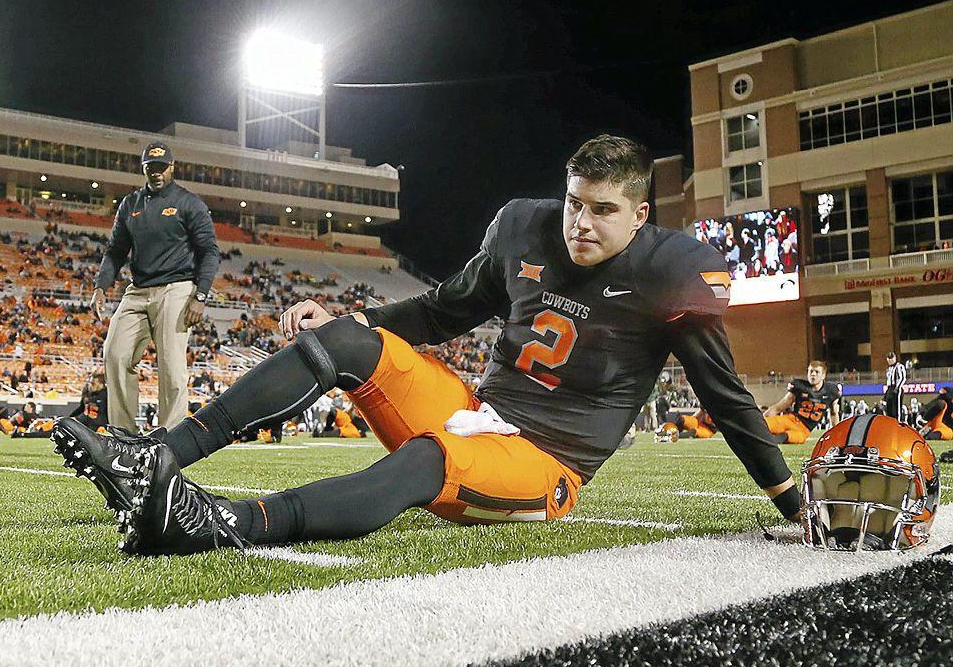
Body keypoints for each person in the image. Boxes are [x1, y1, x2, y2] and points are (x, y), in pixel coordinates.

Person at [54, 134, 800, 555]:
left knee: (427, 459)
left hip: (547, 461)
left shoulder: (671, 271)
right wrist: (345, 323)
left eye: (604, 211)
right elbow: (445, 311)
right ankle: (157, 457)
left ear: (641, 212)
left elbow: (724, 393)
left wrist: (788, 497)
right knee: (352, 336)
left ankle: (219, 524)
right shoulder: (524, 226)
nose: (582, 222)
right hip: (477, 407)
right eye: (575, 202)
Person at [92, 141, 220, 432]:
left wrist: (200, 295)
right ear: (144, 169)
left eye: (162, 167)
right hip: (138, 289)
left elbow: (210, 252)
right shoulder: (131, 204)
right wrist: (101, 285)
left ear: (172, 167)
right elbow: (115, 251)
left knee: (172, 369)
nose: (157, 173)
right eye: (151, 167)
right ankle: (124, 434)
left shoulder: (189, 203)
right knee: (115, 353)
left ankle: (171, 437)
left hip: (177, 288)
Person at [763, 360, 840, 444]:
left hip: (804, 430)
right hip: (791, 419)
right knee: (762, 426)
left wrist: (836, 434)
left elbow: (834, 413)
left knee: (790, 437)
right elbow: (780, 407)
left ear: (823, 376)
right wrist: (761, 419)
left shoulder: (831, 391)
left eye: (817, 372)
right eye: (811, 371)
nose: (813, 374)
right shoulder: (800, 386)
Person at [883, 350, 906, 421]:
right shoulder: (889, 369)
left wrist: (897, 388)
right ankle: (890, 421)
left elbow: (902, 378)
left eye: (891, 358)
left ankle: (898, 421)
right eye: (889, 359)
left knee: (896, 407)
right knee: (888, 407)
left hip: (896, 388)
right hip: (889, 388)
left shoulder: (899, 366)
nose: (890, 360)